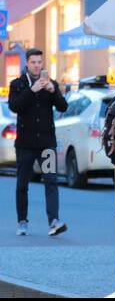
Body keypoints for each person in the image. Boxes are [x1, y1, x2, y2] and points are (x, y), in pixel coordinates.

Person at [10, 48, 69, 237]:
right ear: (27, 63)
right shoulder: (17, 84)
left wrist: (54, 92)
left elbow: (63, 106)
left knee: (51, 181)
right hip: (25, 145)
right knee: (22, 185)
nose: (37, 65)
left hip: (46, 144)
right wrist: (31, 90)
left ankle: (54, 221)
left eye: (39, 62)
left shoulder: (50, 83)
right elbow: (15, 106)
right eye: (33, 62)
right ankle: (22, 221)